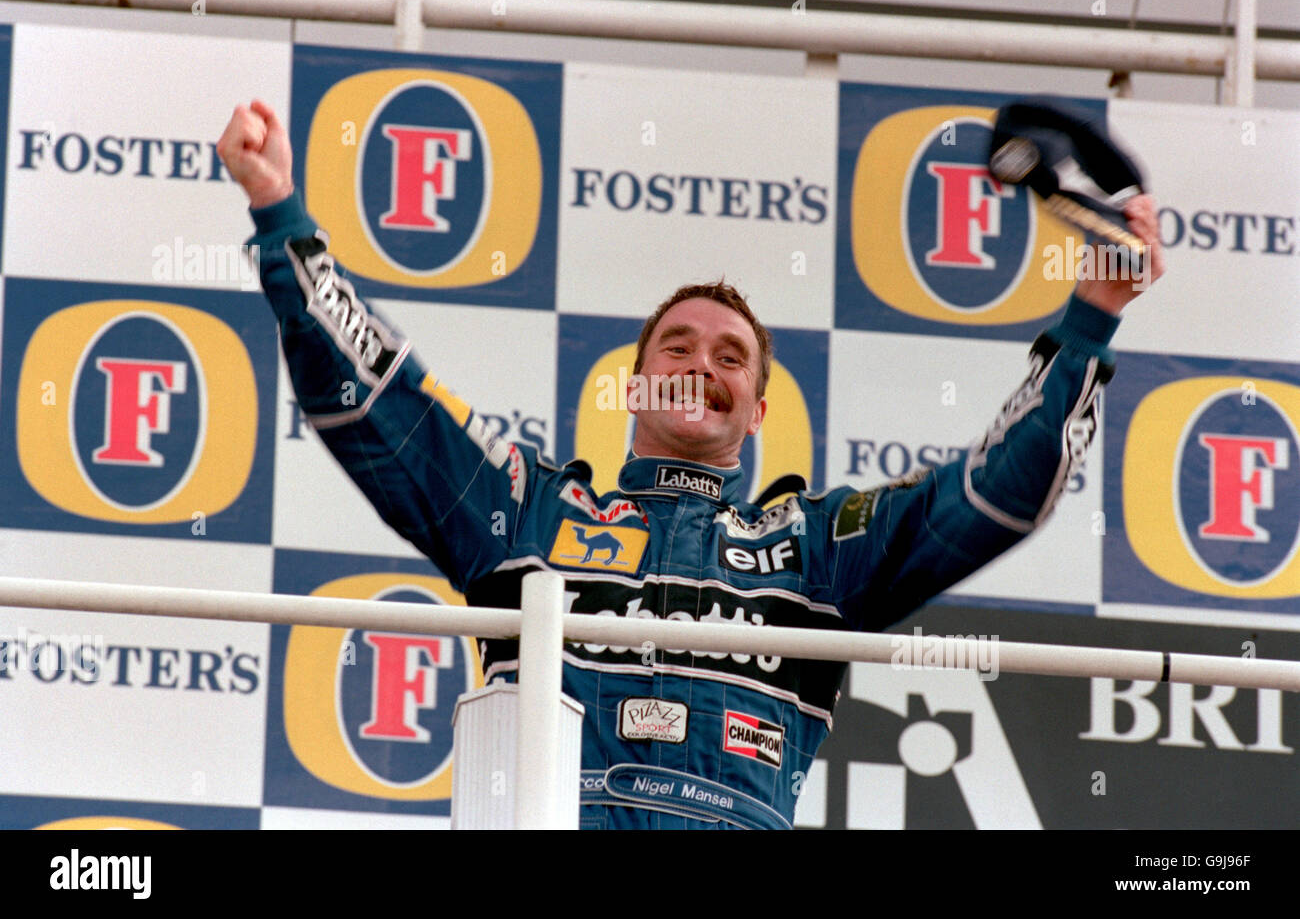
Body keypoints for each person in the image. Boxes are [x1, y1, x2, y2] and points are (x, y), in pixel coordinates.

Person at [218, 99, 1163, 829]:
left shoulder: (818, 549)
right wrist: (278, 208)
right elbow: (379, 400)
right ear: (633, 388)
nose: (701, 363)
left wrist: (1093, 312)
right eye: (675, 347)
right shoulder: (525, 507)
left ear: (755, 413)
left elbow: (995, 492)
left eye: (730, 357)